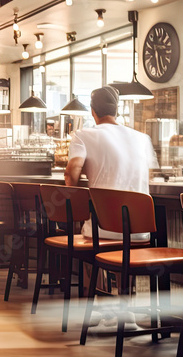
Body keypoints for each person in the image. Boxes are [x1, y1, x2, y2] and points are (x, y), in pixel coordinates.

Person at [63, 85, 158, 240]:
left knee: (84, 240)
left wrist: (76, 202)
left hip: (101, 231)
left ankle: (98, 265)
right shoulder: (143, 138)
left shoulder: (82, 135)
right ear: (116, 111)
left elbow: (71, 172)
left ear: (93, 112)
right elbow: (149, 176)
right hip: (139, 234)